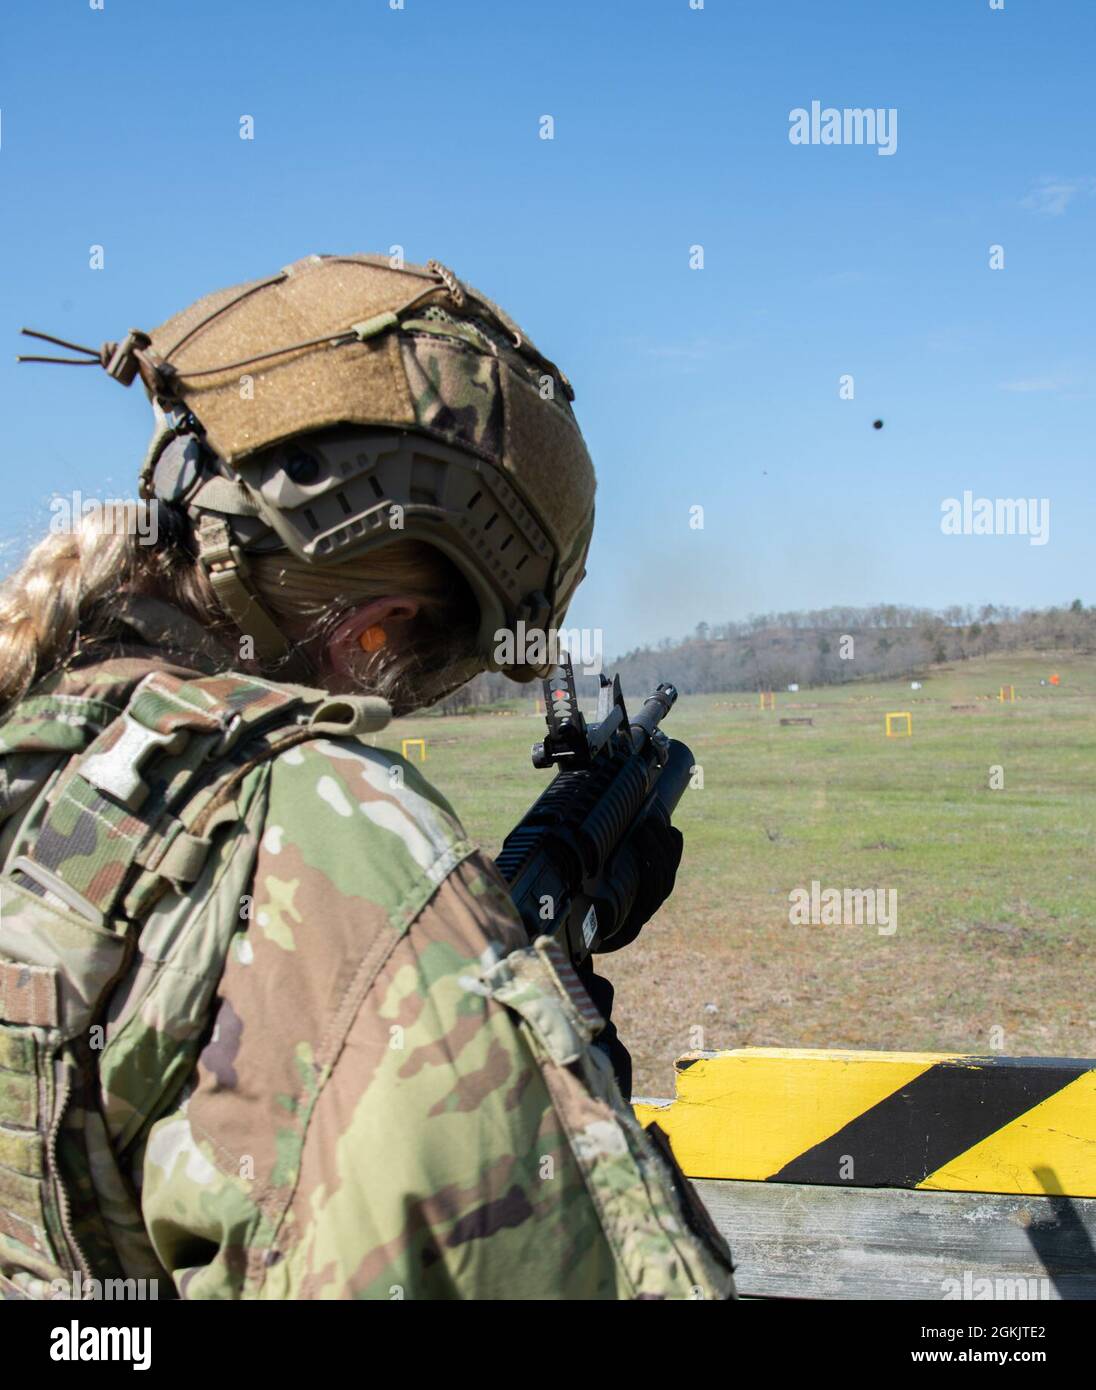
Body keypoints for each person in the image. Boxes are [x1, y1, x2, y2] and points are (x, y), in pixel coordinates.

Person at [0, 254, 735, 1300]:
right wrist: (574, 1085)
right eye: (434, 670)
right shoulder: (334, 838)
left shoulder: (39, 741)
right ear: (374, 632)